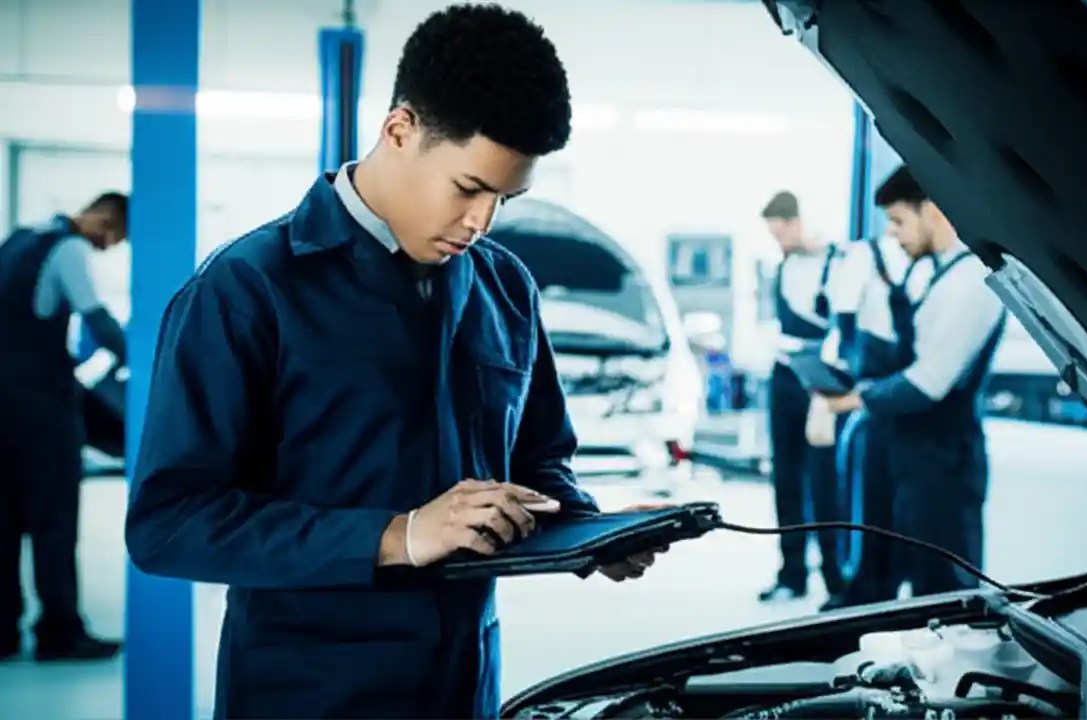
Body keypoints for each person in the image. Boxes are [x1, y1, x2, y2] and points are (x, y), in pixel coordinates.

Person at [125, 6, 665, 719]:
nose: (481, 223)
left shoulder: (504, 288)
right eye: (469, 188)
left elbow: (539, 469)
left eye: (505, 198)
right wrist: (399, 535)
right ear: (400, 130)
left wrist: (590, 534)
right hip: (308, 692)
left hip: (463, 683)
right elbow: (170, 523)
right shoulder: (248, 290)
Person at [823, 165, 1006, 597]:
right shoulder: (934, 273)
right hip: (912, 458)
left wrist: (858, 398)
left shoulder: (969, 283)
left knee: (943, 595)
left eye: (899, 221)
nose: (894, 235)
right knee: (902, 582)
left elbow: (927, 383)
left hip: (943, 464)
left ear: (935, 210)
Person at [0, 192, 129, 662]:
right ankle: (60, 631)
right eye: (112, 238)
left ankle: (3, 630)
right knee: (54, 519)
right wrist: (150, 361)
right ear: (105, 218)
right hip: (41, 406)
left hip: (2, 404)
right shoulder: (69, 247)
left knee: (4, 519)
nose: (104, 246)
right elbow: (97, 321)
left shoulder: (18, 239)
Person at [821, 230, 930, 610]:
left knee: (876, 505)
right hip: (875, 401)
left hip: (886, 402)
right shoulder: (877, 258)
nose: (899, 233)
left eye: (901, 221)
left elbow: (841, 328)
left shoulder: (872, 259)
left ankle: (871, 592)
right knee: (870, 504)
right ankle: (866, 591)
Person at [757, 190, 849, 605]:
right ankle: (791, 573)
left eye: (781, 234)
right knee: (786, 479)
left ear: (797, 222)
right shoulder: (783, 265)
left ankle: (836, 579)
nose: (779, 243)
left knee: (825, 480)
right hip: (784, 377)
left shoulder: (841, 263)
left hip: (824, 380)